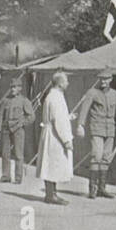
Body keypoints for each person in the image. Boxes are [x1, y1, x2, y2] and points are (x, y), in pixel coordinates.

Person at [77, 69, 116, 199]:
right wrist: (80, 125)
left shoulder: (115, 95)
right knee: (96, 156)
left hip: (110, 130)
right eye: (101, 79)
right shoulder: (92, 93)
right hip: (97, 128)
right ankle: (92, 189)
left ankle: (102, 188)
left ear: (110, 80)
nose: (103, 82)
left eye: (106, 79)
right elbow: (84, 109)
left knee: (106, 158)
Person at [36, 71, 74, 205]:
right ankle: (50, 195)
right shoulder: (56, 97)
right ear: (61, 83)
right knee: (52, 164)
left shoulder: (53, 96)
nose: (68, 83)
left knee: (52, 164)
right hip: (55, 135)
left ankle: (52, 193)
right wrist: (66, 140)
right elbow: (58, 121)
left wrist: (68, 117)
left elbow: (58, 117)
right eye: (66, 81)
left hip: (52, 132)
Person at [0, 79, 34, 182]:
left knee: (18, 154)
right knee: (5, 153)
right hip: (6, 129)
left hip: (18, 130)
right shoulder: (5, 100)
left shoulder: (24, 101)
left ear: (20, 88)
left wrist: (22, 123)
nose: (12, 89)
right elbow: (0, 116)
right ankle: (6, 176)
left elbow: (31, 117)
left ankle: (18, 177)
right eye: (11, 87)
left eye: (15, 87)